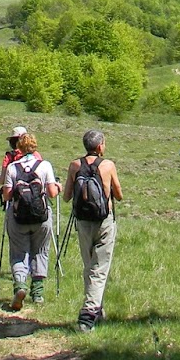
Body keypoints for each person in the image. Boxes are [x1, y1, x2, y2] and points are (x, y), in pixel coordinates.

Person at [61, 128, 124, 331]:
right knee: (100, 267)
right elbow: (119, 195)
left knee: (90, 266)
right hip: (104, 220)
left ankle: (97, 308)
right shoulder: (108, 165)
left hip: (82, 222)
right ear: (99, 146)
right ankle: (87, 316)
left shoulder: (74, 165)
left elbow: (67, 196)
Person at [0, 130, 60, 310]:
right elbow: (51, 193)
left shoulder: (13, 167)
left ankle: (20, 285)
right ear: (35, 147)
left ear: (18, 146)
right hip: (41, 217)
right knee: (40, 250)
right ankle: (38, 293)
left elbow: (7, 196)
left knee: (19, 252)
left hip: (18, 217)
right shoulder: (45, 165)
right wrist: (58, 186)